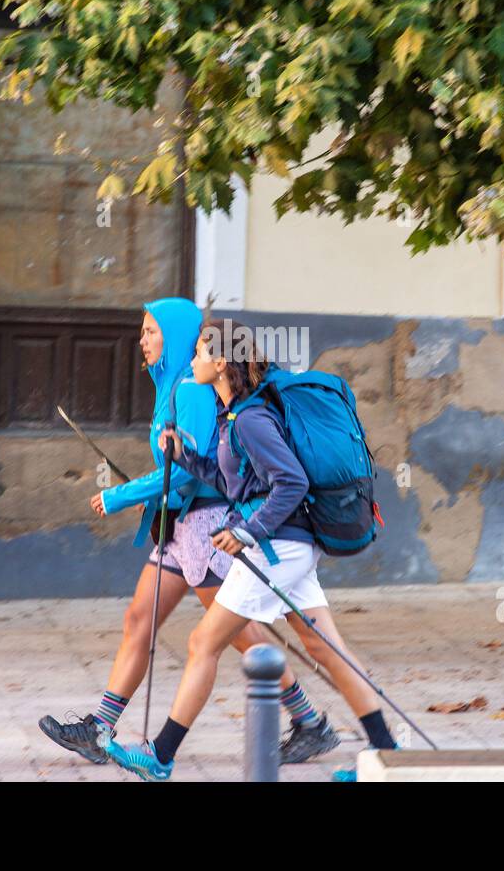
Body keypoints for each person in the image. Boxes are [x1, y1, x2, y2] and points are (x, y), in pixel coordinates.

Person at [39, 299, 340, 766]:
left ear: (176, 336)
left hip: (207, 526)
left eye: (151, 331)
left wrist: (121, 496)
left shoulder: (193, 388)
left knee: (233, 635)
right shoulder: (173, 385)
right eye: (143, 330)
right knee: (140, 619)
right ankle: (99, 728)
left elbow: (189, 471)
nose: (143, 339)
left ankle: (308, 723)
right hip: (182, 529)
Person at [103, 318, 400, 781]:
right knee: (325, 648)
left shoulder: (253, 419)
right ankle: (386, 755)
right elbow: (233, 482)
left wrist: (246, 533)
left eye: (201, 355)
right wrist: (185, 455)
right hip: (289, 546)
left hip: (276, 547)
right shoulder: (233, 414)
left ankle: (160, 756)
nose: (193, 363)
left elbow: (291, 483)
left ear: (220, 363)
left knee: (204, 641)